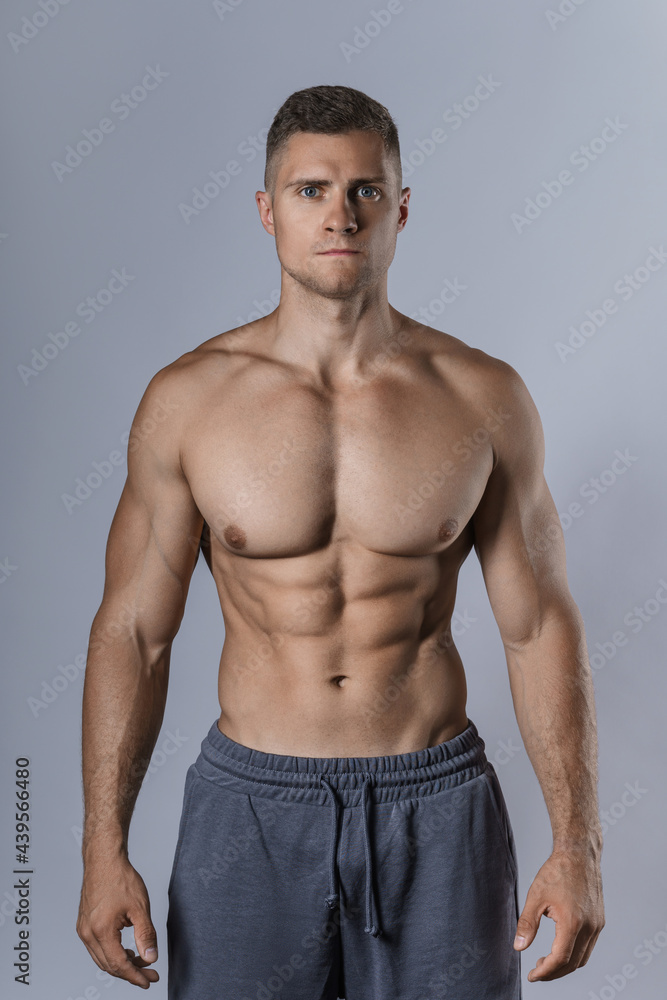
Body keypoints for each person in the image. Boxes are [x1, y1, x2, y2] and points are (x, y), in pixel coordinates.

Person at [76, 84, 605, 998]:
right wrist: (101, 849)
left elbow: (537, 627)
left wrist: (578, 845)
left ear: (400, 208)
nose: (340, 215)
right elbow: (133, 632)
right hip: (250, 810)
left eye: (365, 190)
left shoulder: (481, 397)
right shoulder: (189, 401)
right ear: (267, 211)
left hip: (435, 807)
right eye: (310, 190)